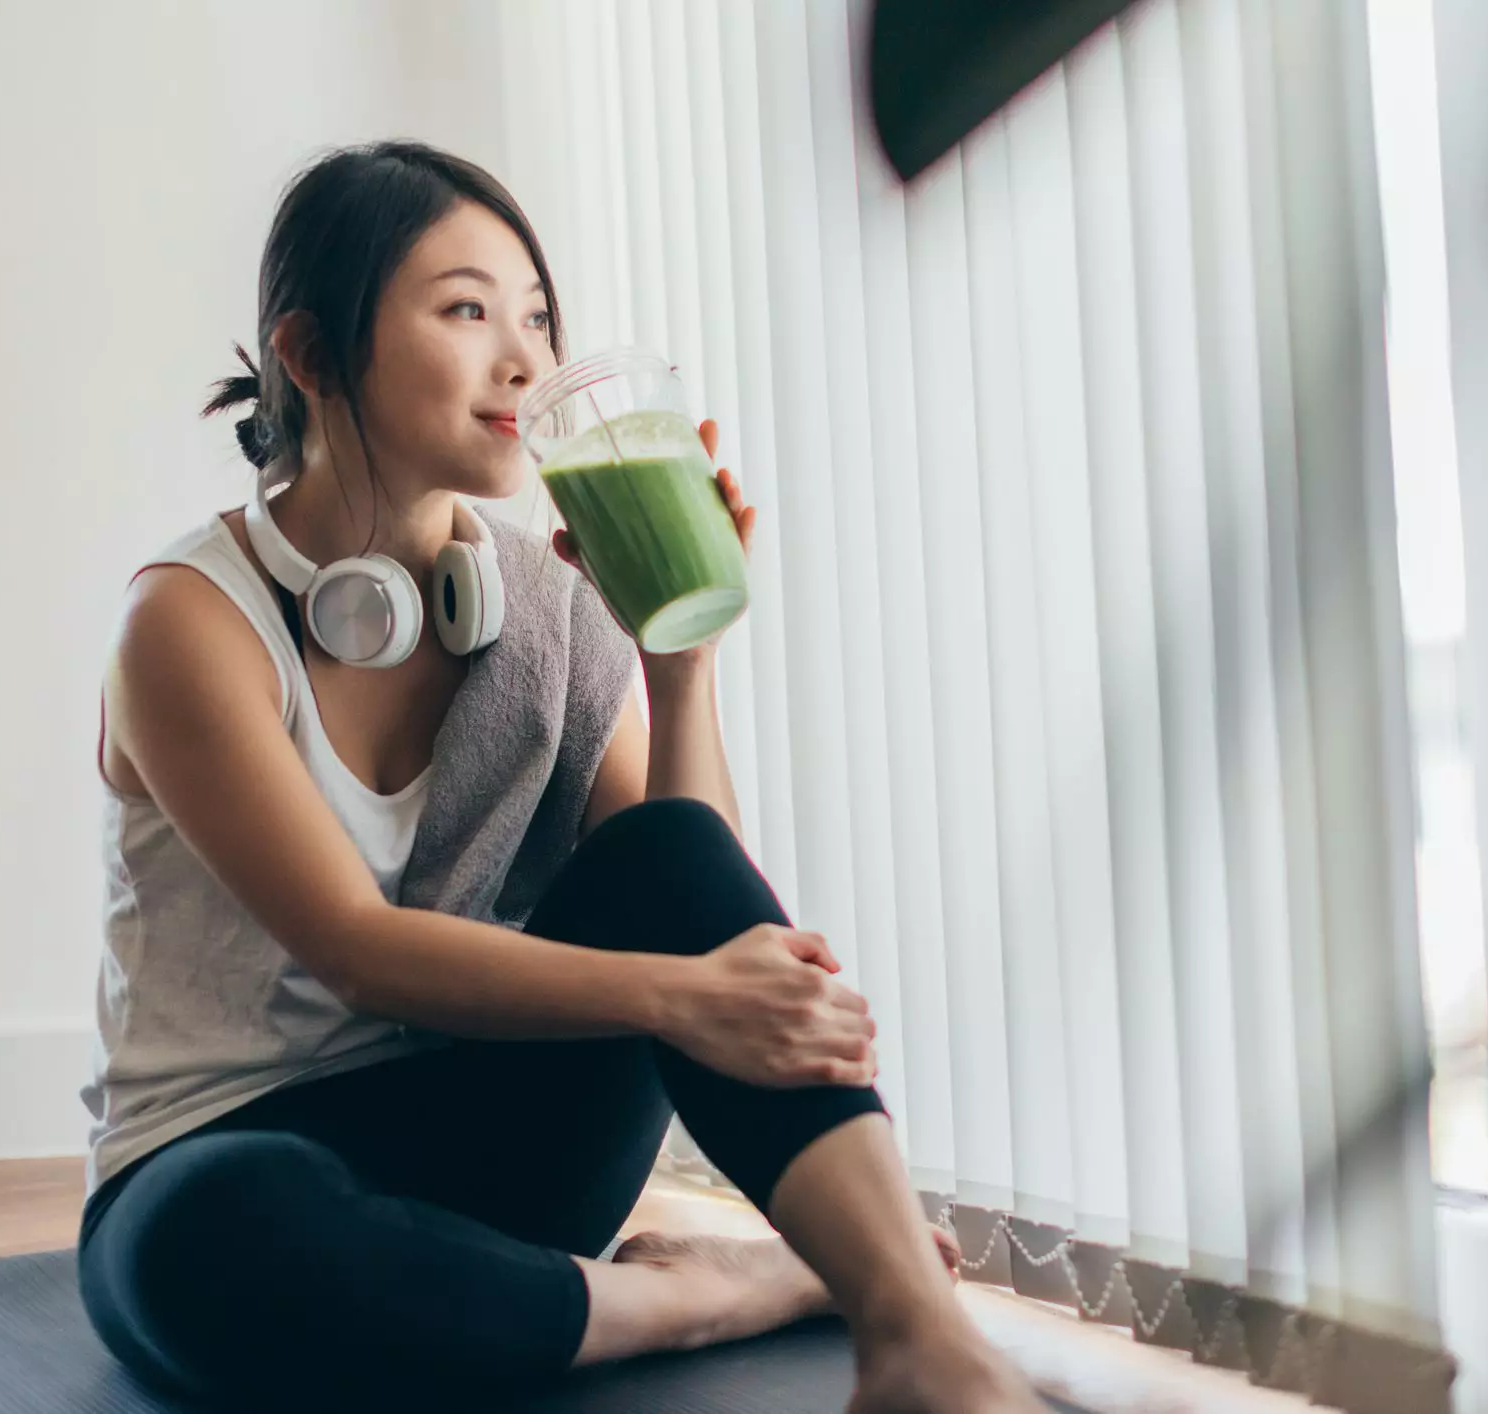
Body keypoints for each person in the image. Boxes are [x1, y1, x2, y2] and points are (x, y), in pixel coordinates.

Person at [76, 140, 1043, 1414]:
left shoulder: (543, 603)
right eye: (468, 310)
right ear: (309, 355)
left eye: (536, 315)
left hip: (486, 1137)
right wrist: (681, 998)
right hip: (226, 1155)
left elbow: (690, 880)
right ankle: (724, 1290)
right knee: (222, 1237)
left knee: (655, 852)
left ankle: (916, 1333)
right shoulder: (192, 623)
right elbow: (360, 947)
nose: (524, 359)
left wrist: (672, 658)